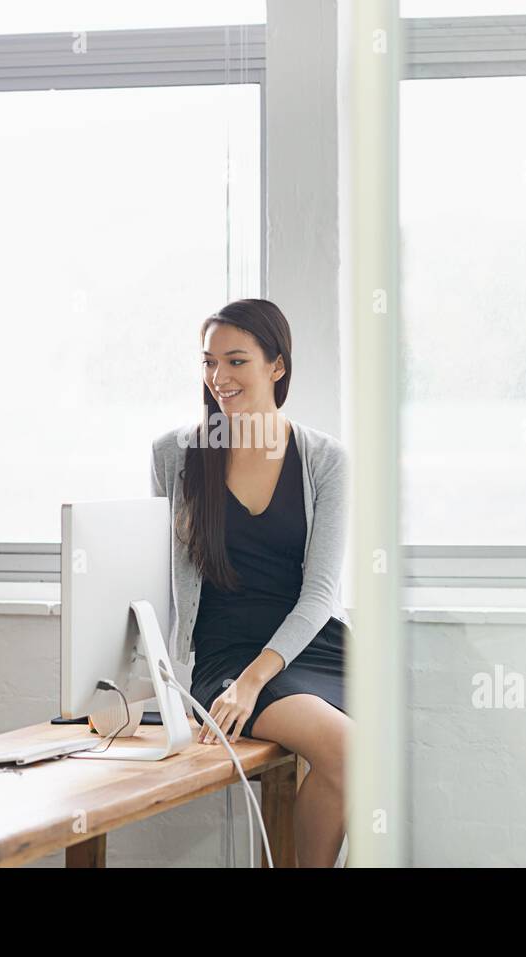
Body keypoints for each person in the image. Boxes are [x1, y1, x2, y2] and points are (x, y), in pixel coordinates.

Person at [151, 298, 352, 867]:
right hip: (225, 656)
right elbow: (157, 579)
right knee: (346, 749)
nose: (219, 378)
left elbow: (320, 594)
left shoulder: (325, 460)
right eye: (210, 362)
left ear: (277, 366)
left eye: (236, 361)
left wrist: (255, 680)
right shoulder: (177, 456)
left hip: (308, 648)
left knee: (352, 756)